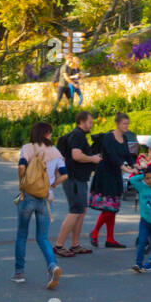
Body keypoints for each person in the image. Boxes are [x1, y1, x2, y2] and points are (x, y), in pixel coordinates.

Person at [14, 121, 64, 288]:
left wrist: (22, 181)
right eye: (49, 133)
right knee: (42, 237)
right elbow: (65, 175)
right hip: (45, 198)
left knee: (22, 234)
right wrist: (54, 183)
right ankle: (52, 265)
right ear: (45, 134)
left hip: (28, 196)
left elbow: (22, 166)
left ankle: (19, 272)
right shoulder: (56, 152)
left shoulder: (28, 148)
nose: (51, 136)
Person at [53, 110, 100, 256]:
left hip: (77, 178)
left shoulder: (77, 135)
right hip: (74, 179)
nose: (91, 125)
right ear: (82, 122)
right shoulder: (78, 135)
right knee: (75, 210)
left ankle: (75, 244)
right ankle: (59, 245)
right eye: (90, 122)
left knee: (81, 209)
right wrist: (93, 159)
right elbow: (76, 155)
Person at [88, 111, 131, 249]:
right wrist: (125, 168)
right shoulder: (108, 137)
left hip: (115, 175)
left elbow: (127, 155)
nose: (127, 126)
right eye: (124, 123)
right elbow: (112, 156)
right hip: (105, 174)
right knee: (109, 207)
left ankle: (110, 238)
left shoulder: (124, 138)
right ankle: (94, 232)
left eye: (128, 124)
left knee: (113, 208)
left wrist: (136, 165)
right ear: (117, 124)